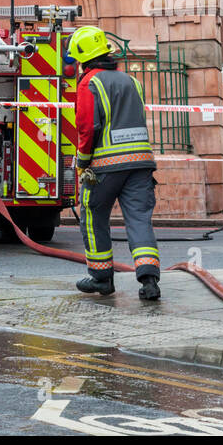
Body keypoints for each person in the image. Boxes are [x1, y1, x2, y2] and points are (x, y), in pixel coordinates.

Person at [67, 25, 162, 301]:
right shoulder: (133, 81)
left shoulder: (89, 82)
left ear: (83, 57)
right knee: (139, 219)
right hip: (142, 163)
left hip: (106, 166)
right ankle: (149, 281)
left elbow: (88, 127)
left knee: (93, 213)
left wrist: (83, 162)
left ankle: (101, 279)